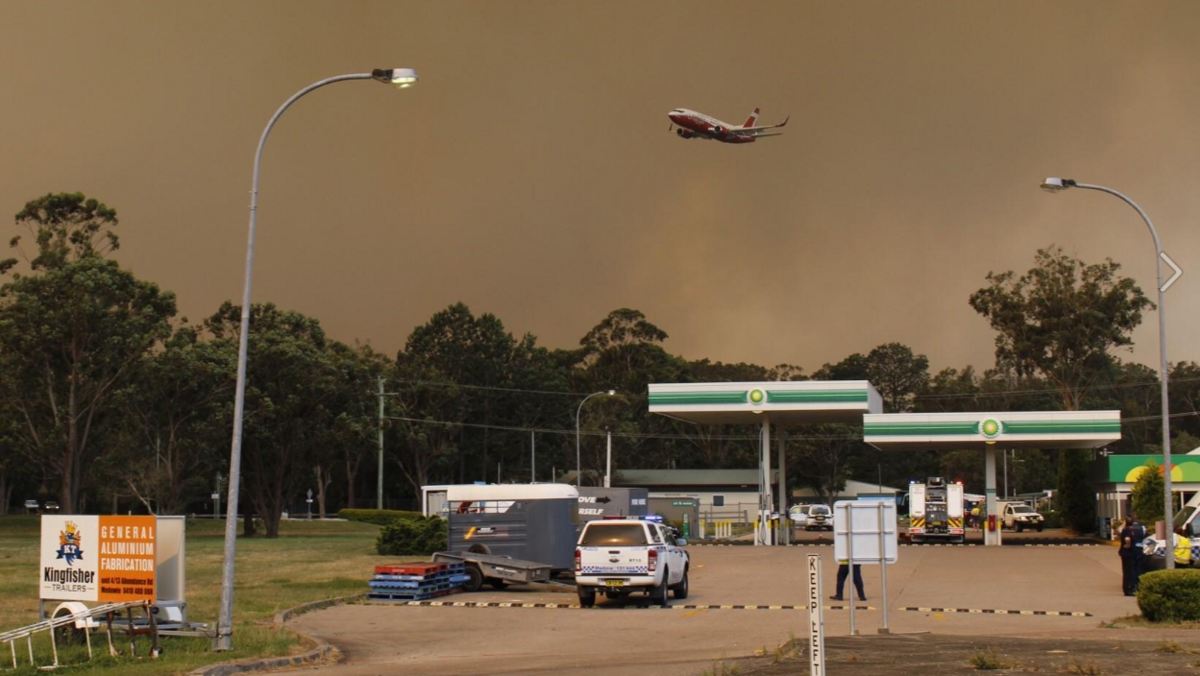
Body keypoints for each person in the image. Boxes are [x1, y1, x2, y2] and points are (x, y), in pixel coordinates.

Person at [1117, 513, 1147, 596]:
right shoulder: (1142, 528)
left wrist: (1127, 545)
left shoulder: (1126, 529)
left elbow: (1124, 535)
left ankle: (1128, 589)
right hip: (1139, 550)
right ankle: (1136, 586)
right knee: (1137, 570)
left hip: (1128, 552)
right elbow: (1144, 536)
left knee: (1128, 571)